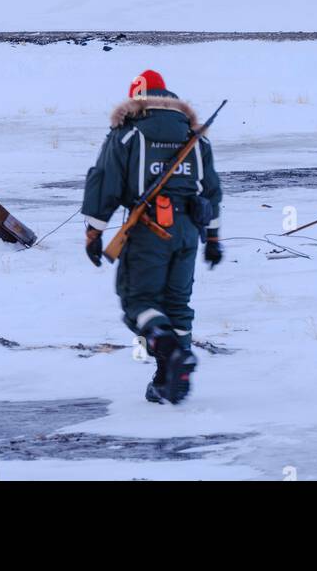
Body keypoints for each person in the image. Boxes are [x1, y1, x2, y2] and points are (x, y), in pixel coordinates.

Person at [81, 69, 223, 404]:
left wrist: (94, 231)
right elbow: (212, 190)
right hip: (189, 231)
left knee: (138, 301)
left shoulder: (128, 134)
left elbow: (105, 183)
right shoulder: (196, 136)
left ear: (137, 98)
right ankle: (173, 379)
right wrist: (214, 238)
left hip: (148, 230)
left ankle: (170, 353)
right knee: (177, 304)